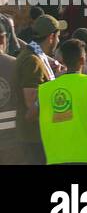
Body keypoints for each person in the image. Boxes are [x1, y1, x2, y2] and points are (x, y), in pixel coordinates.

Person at [38, 38, 87, 165]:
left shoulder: (45, 89)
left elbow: (31, 114)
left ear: (62, 60)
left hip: (56, 156)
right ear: (83, 60)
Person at [16, 12, 62, 164]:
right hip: (34, 137)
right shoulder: (32, 61)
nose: (59, 40)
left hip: (36, 136)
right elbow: (31, 103)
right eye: (58, 36)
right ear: (51, 37)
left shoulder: (35, 56)